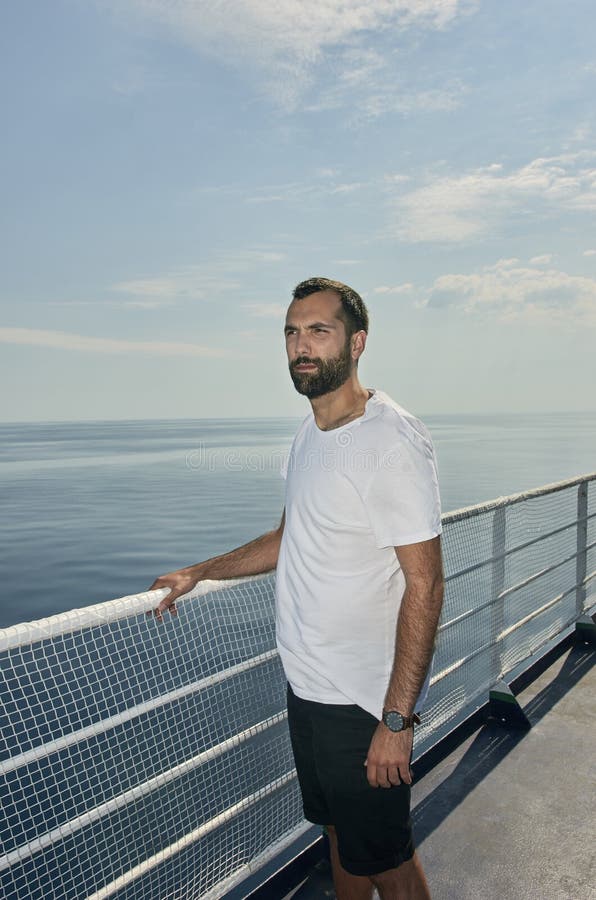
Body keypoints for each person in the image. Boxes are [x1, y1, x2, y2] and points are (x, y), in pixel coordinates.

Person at [149, 277, 444, 900]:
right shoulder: (308, 436)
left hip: (362, 704)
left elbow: (425, 582)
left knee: (388, 859)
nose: (301, 346)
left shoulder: (390, 440)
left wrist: (396, 719)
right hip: (308, 688)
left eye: (319, 331)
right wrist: (201, 570)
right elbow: (289, 537)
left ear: (356, 343)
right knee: (337, 833)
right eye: (291, 331)